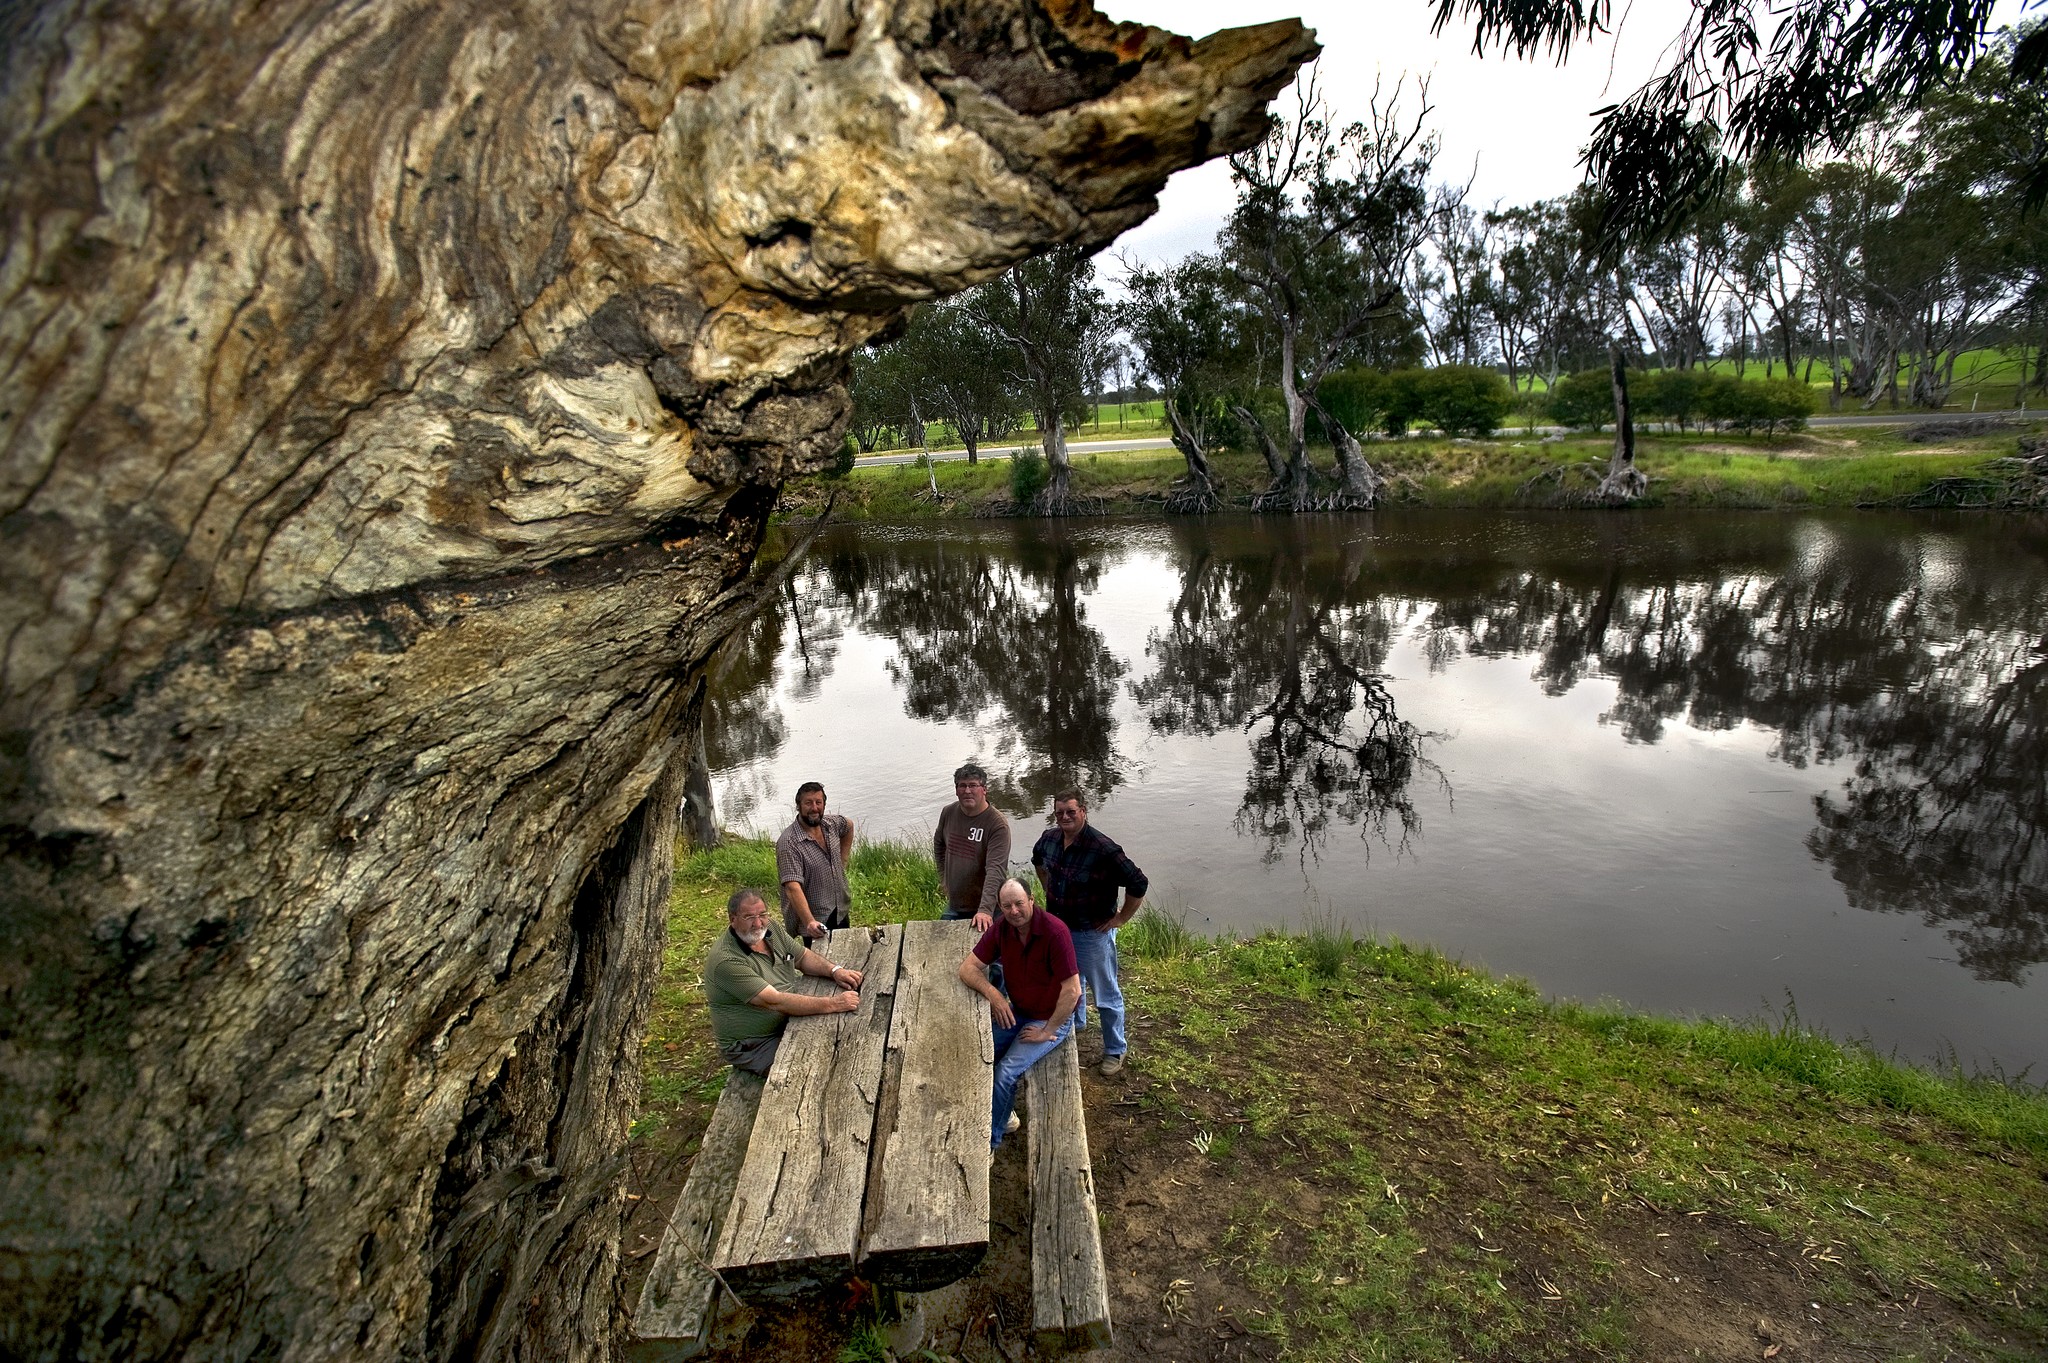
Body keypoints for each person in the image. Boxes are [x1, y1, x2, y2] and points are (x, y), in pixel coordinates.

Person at [958, 878, 1081, 1150]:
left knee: (1004, 1073)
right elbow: (967, 968)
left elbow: (1072, 991)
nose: (1014, 911)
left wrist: (1048, 1030)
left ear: (1032, 900)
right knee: (981, 1051)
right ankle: (1006, 1113)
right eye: (1007, 906)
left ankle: (990, 1143)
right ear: (1000, 907)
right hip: (1018, 1011)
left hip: (1049, 1018)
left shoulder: (1054, 932)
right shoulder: (1003, 928)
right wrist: (995, 995)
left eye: (1019, 903)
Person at [1030, 788, 1147, 1077]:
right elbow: (1037, 861)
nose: (1065, 817)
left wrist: (1121, 918)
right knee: (1067, 981)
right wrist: (1047, 888)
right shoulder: (1050, 839)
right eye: (1060, 812)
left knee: (1105, 994)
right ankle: (1076, 1022)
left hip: (1092, 933)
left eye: (1071, 811)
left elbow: (1138, 883)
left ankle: (1115, 1049)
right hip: (1059, 929)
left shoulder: (1104, 849)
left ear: (1083, 810)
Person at [703, 887, 864, 1075]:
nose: (758, 923)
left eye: (762, 914)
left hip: (788, 1015)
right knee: (813, 1069)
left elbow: (802, 957)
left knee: (848, 1038)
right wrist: (834, 1003)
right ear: (733, 919)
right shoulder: (726, 960)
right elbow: (774, 1001)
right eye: (748, 917)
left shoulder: (771, 929)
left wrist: (835, 970)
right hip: (755, 1042)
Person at [933, 762, 1009, 934]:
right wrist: (944, 877)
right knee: (940, 946)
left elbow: (996, 870)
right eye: (962, 785)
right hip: (955, 905)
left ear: (984, 789)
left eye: (973, 785)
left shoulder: (997, 824)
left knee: (994, 959)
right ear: (956, 789)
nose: (967, 790)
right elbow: (939, 844)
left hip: (988, 908)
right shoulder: (948, 812)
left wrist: (985, 910)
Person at [775, 780, 854, 941]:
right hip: (816, 922)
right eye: (808, 803)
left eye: (819, 802)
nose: (814, 808)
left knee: (847, 958)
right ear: (798, 806)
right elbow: (792, 887)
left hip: (839, 910)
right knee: (820, 965)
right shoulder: (789, 843)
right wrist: (809, 921)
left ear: (824, 804)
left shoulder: (831, 825)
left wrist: (842, 861)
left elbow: (849, 826)